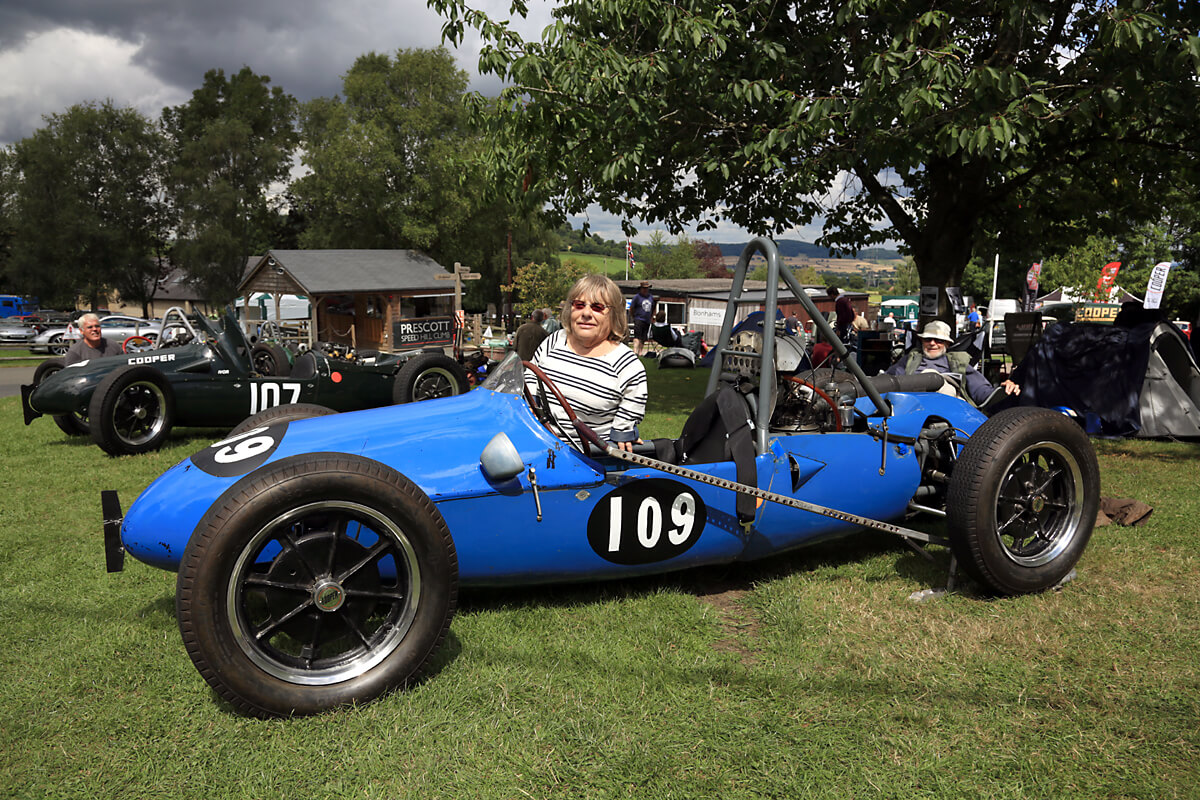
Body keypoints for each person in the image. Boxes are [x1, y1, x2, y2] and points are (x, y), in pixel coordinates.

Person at [527, 275, 647, 452]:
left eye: (598, 307)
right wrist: (530, 403)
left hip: (588, 458)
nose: (586, 313)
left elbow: (633, 404)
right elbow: (531, 372)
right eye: (579, 305)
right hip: (538, 445)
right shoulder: (554, 341)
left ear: (613, 315)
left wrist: (623, 432)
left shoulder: (627, 365)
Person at [885, 320, 1019, 405]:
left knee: (931, 376)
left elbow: (981, 392)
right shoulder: (910, 360)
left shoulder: (957, 361)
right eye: (928, 339)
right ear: (922, 342)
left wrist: (1003, 389)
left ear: (947, 344)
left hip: (949, 408)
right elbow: (887, 380)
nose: (932, 343)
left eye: (938, 340)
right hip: (912, 405)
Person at [629, 281, 656, 357]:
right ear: (641, 289)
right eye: (644, 288)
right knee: (637, 336)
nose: (645, 290)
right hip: (638, 319)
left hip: (647, 320)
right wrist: (633, 316)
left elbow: (653, 308)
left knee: (643, 338)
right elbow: (632, 308)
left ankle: (640, 352)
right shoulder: (637, 297)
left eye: (647, 288)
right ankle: (635, 351)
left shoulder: (650, 297)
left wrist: (652, 317)